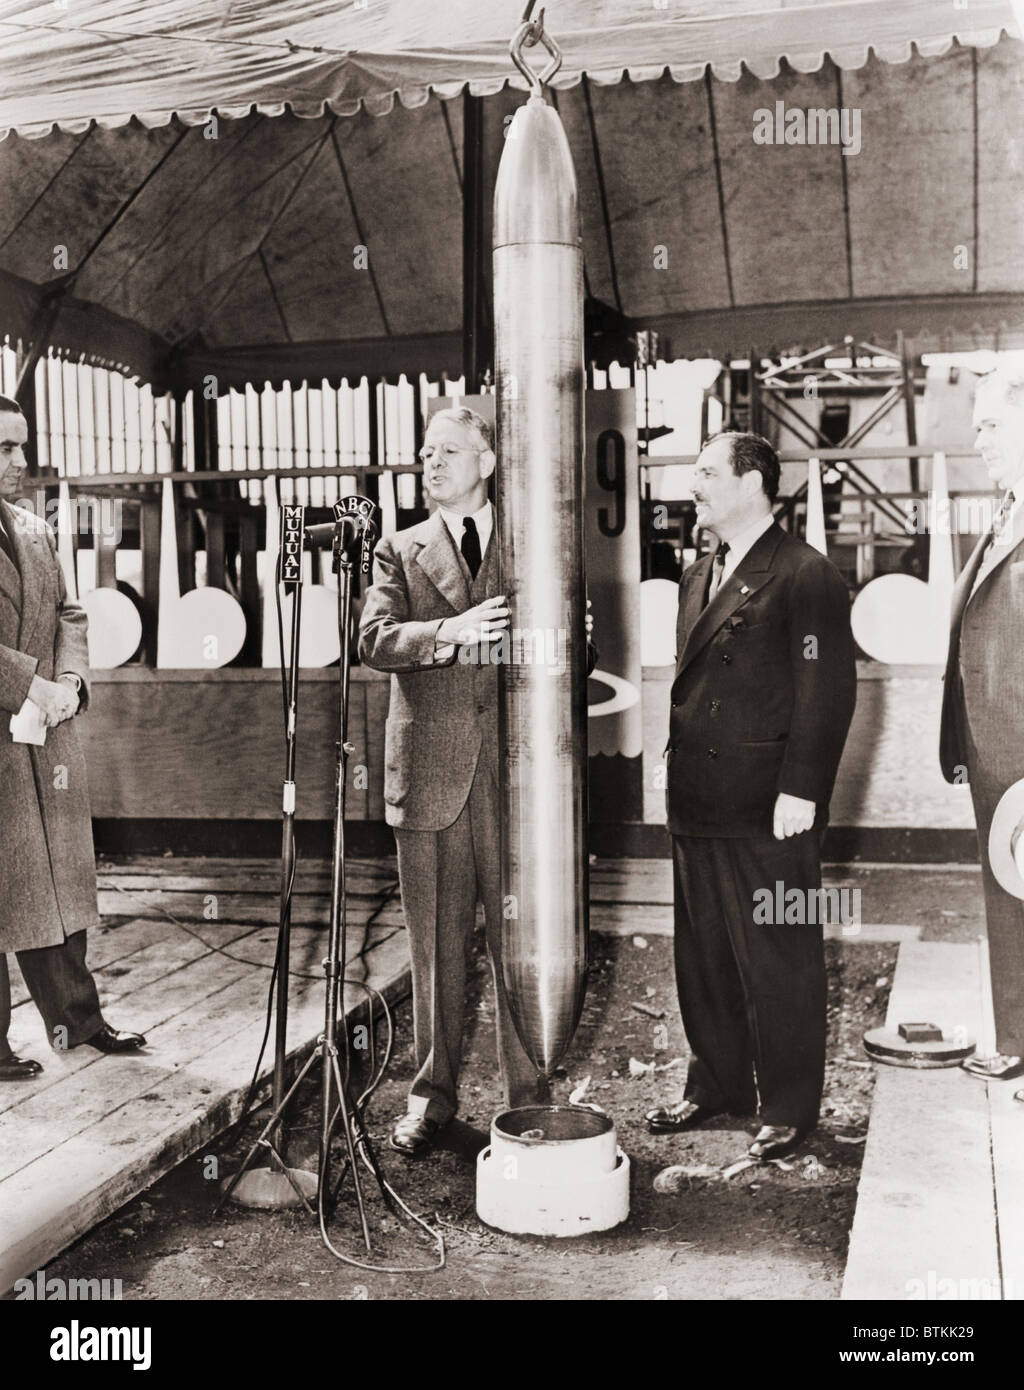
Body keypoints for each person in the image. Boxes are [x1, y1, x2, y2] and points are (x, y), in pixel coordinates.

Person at [360, 406, 594, 1156]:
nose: (432, 464)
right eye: (425, 452)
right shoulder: (398, 549)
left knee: (523, 942)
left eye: (450, 452)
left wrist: (571, 635)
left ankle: (530, 1099)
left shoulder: (536, 549)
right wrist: (445, 635)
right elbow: (371, 640)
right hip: (431, 776)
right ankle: (431, 1098)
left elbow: (573, 658)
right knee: (434, 949)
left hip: (520, 782)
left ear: (489, 462)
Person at [646, 431, 857, 1160]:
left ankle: (791, 1104)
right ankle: (718, 1088)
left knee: (780, 953)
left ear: (753, 483)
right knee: (703, 957)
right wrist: (669, 757)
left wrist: (802, 788)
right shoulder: (695, 575)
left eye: (705, 473)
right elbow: (693, 683)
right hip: (699, 799)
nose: (691, 486)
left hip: (771, 807)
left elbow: (825, 693)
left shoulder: (805, 575)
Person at [0, 394, 145, 1080]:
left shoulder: (33, 528)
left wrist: (74, 682)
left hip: (46, 728)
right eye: (4, 449)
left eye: (22, 446)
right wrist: (31, 684)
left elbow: (69, 611)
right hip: (11, 718)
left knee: (58, 880)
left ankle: (76, 1020)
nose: (21, 462)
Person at [940, 366, 1024, 1097]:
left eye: (993, 424)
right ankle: (1016, 1037)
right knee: (1009, 894)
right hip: (997, 751)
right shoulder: (1008, 513)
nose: (979, 438)